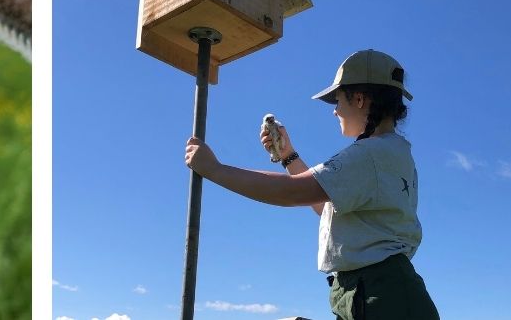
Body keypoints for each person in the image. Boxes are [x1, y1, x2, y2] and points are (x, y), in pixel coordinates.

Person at [183, 49, 439, 319]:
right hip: (378, 291)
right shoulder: (391, 154)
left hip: (381, 295)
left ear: (360, 99)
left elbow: (293, 192)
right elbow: (324, 204)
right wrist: (288, 156)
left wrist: (214, 169)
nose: (335, 112)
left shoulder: (370, 154)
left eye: (337, 101)